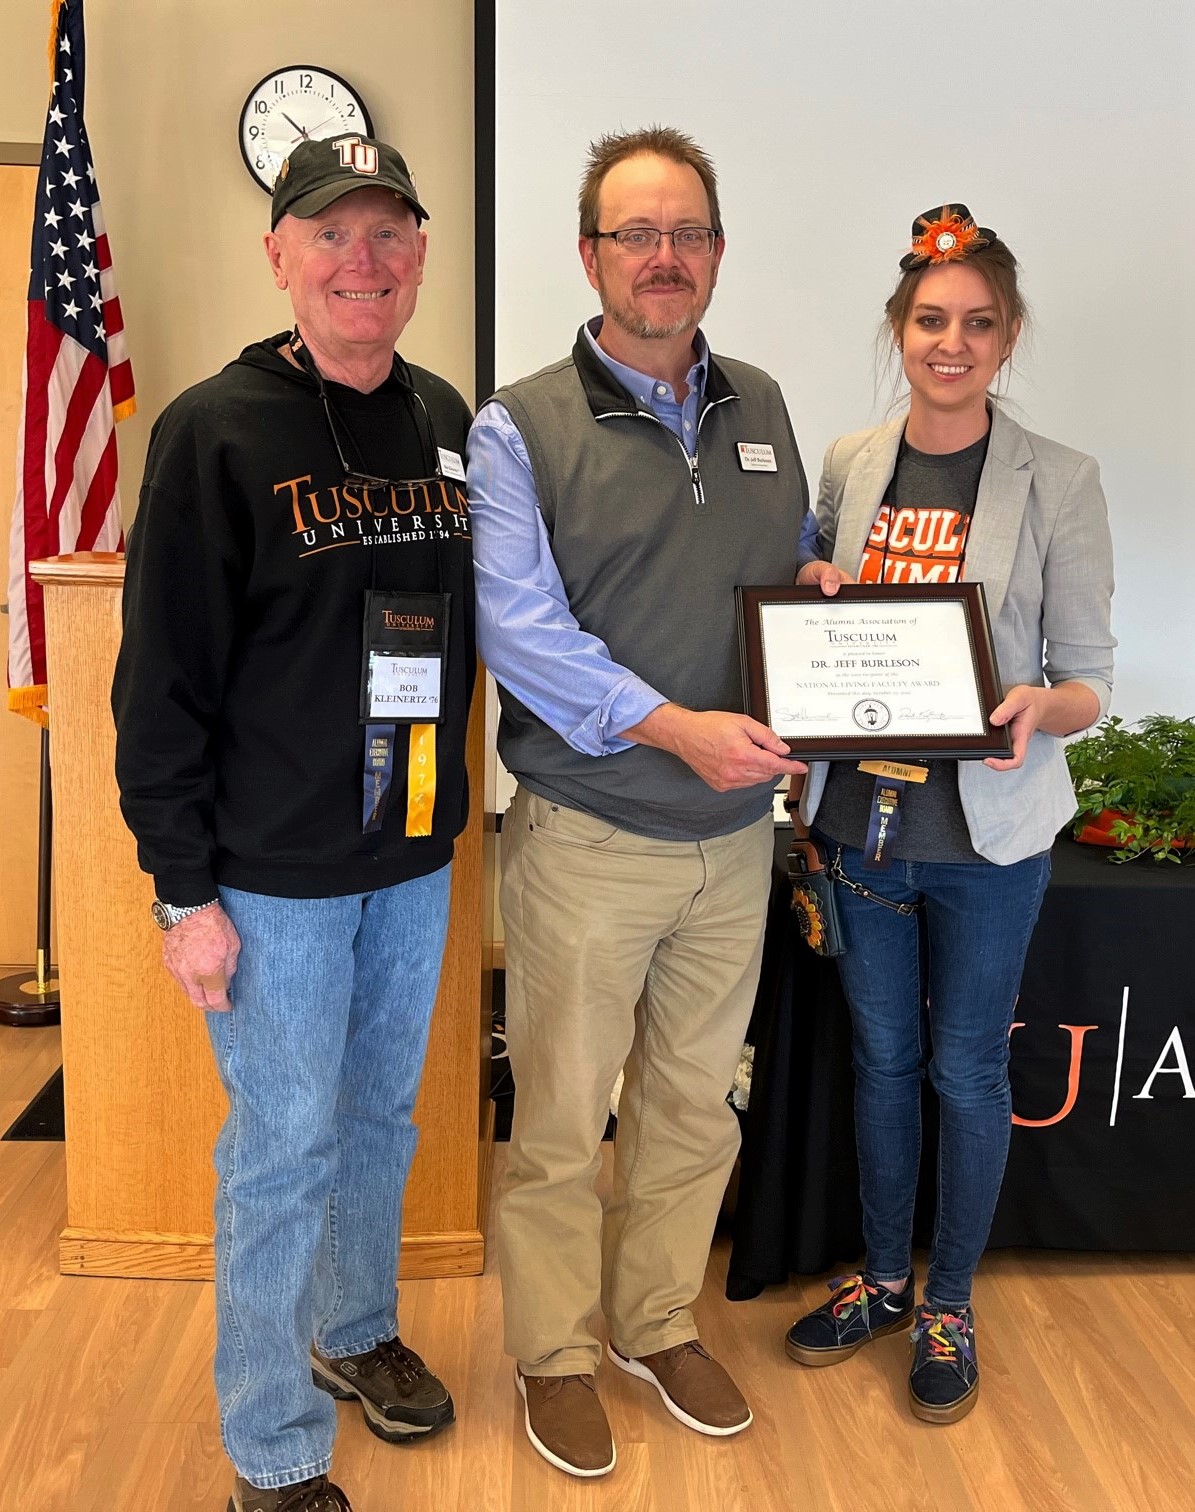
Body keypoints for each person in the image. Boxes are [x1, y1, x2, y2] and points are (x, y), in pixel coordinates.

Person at [112, 134, 475, 1512]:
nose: (362, 261)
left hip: (410, 853)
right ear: (279, 256)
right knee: (280, 1151)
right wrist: (178, 890)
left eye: (388, 234)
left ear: (419, 257)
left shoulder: (441, 415)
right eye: (331, 234)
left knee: (379, 1117)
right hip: (272, 878)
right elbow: (159, 682)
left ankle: (351, 1332)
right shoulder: (216, 427)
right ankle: (269, 1451)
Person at [467, 125, 819, 1478]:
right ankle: (554, 1351)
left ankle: (651, 1319)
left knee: (690, 1105)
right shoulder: (518, 425)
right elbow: (521, 631)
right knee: (559, 1118)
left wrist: (825, 608)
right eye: (636, 235)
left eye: (685, 235)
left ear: (716, 254)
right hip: (587, 838)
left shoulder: (766, 406)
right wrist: (673, 728)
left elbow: (783, 575)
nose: (662, 258)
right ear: (589, 255)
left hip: (733, 843)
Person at [784, 205, 1115, 1423]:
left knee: (968, 1073)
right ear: (899, 326)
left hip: (989, 838)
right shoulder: (848, 463)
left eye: (978, 323)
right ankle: (880, 1277)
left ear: (1008, 336)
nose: (951, 342)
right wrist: (816, 593)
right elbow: (812, 620)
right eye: (931, 320)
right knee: (882, 1065)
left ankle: (950, 1301)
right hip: (863, 829)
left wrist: (1042, 702)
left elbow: (1089, 676)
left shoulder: (1059, 481)